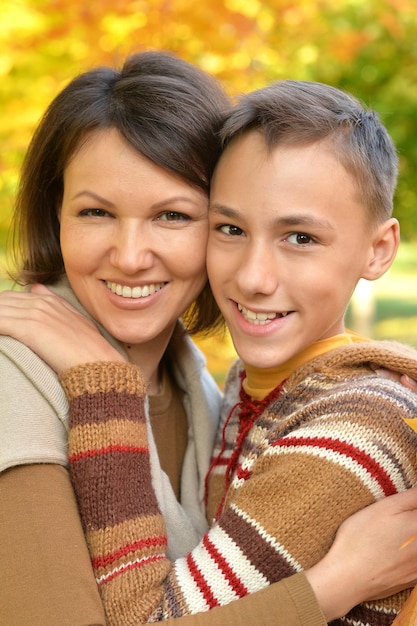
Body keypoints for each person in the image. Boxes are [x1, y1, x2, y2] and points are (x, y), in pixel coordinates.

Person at [3, 75, 417, 626]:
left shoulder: (342, 423)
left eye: (172, 215)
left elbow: (152, 616)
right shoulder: (232, 392)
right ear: (56, 216)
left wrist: (103, 383)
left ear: (379, 248)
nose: (130, 257)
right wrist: (338, 582)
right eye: (96, 212)